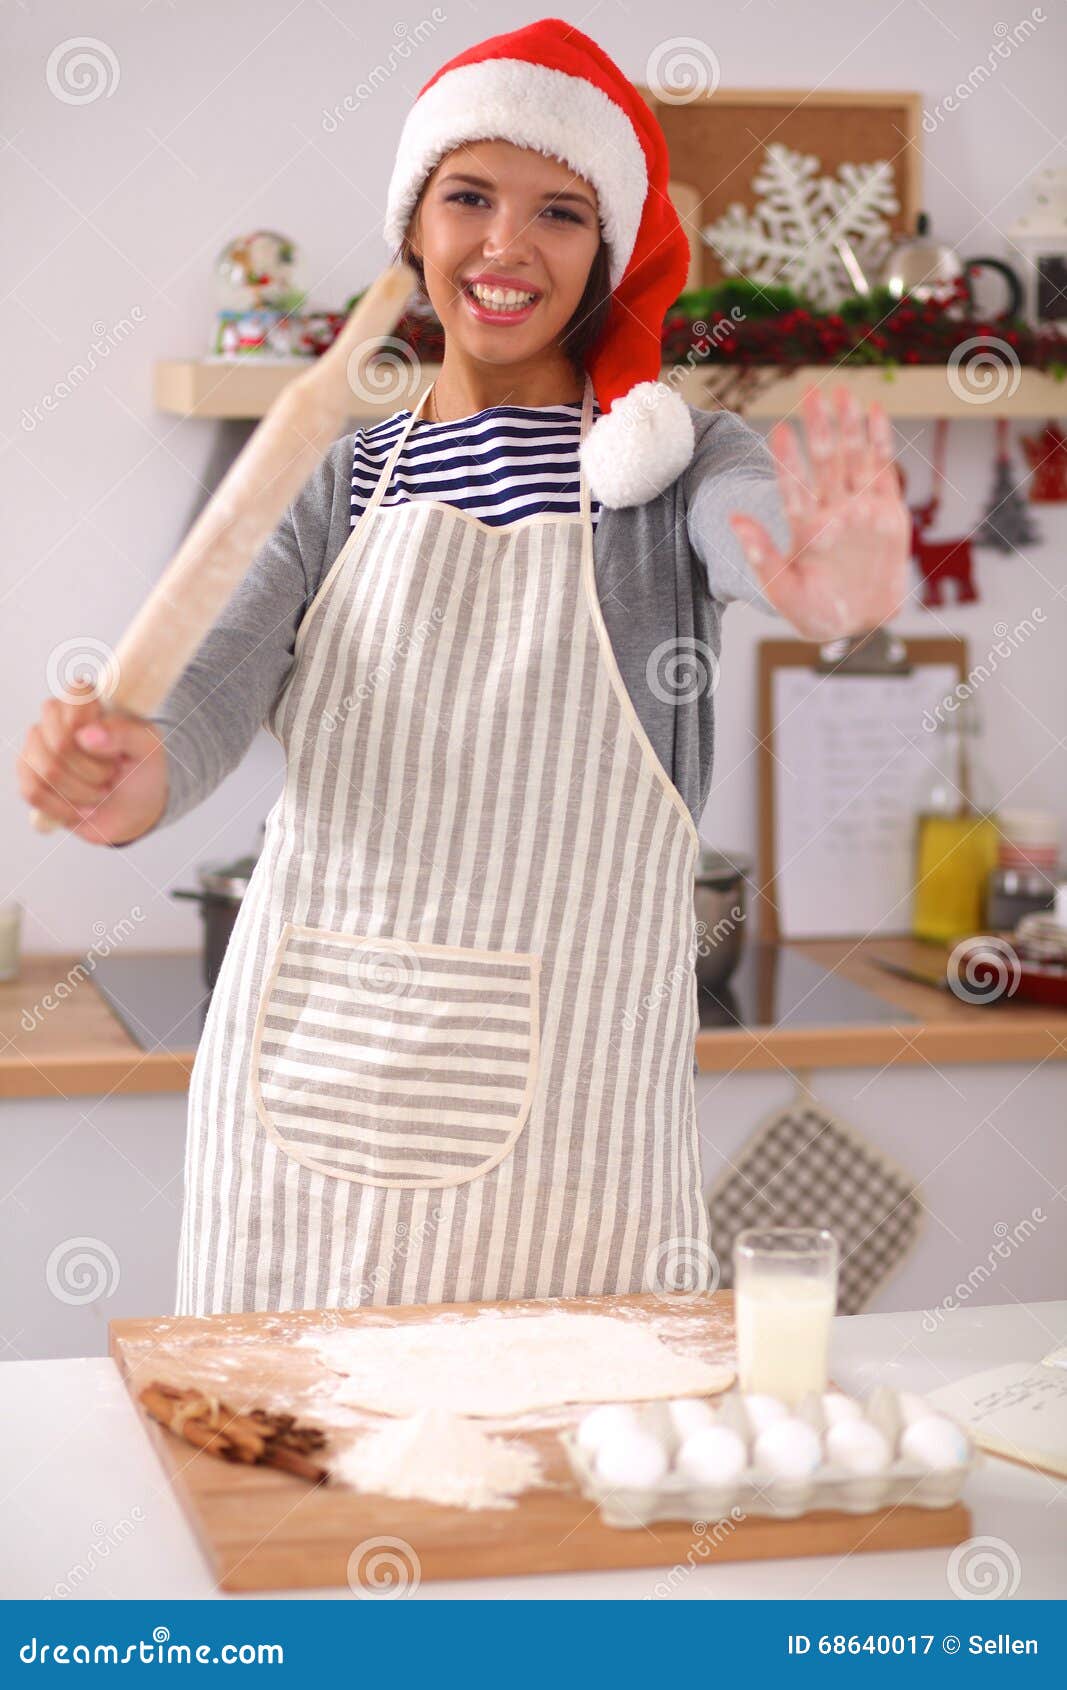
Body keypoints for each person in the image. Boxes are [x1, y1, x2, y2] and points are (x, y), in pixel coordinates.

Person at [17, 19, 909, 1315]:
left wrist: (827, 593)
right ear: (414, 229)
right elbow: (203, 706)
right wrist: (121, 773)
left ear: (605, 252)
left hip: (579, 1133)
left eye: (560, 212)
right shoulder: (337, 478)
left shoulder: (673, 471)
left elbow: (765, 544)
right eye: (470, 197)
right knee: (285, 1430)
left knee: (568, 1431)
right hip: (313, 1108)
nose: (507, 244)